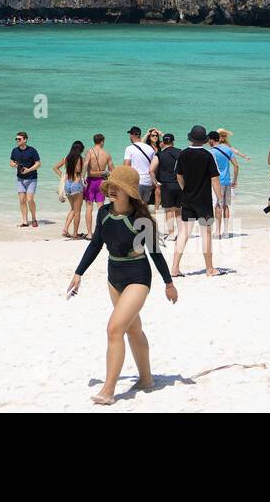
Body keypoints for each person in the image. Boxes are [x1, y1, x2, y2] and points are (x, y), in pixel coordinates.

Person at [67, 165, 177, 406]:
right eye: (112, 186)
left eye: (118, 187)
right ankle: (146, 379)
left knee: (114, 329)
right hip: (113, 276)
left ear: (129, 192)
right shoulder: (104, 213)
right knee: (132, 329)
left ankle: (108, 390)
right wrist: (78, 273)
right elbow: (95, 244)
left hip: (138, 276)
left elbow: (156, 254)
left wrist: (168, 283)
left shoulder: (140, 220)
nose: (113, 190)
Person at [172, 125, 218, 277]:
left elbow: (178, 175)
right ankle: (209, 269)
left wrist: (185, 189)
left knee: (184, 232)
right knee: (206, 234)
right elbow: (215, 179)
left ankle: (175, 268)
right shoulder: (207, 156)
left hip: (187, 199)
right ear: (204, 140)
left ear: (191, 138)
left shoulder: (183, 154)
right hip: (204, 201)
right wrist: (220, 198)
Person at [205, 130, 235, 239]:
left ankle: (217, 232)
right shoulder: (227, 149)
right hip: (227, 181)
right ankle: (226, 231)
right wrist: (235, 180)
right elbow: (236, 166)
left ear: (212, 140)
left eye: (208, 140)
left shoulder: (210, 152)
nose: (208, 142)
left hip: (216, 182)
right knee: (225, 206)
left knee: (217, 205)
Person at [83, 134, 113, 236]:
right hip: (102, 183)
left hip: (90, 182)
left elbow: (85, 164)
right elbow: (112, 170)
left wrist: (82, 177)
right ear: (102, 142)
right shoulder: (106, 154)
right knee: (101, 208)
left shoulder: (89, 152)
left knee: (89, 207)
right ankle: (100, 232)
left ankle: (89, 233)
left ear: (94, 141)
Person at [10, 131, 41, 228]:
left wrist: (28, 170)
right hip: (20, 179)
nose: (17, 141)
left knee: (30, 199)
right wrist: (14, 165)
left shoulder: (32, 150)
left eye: (19, 139)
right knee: (22, 200)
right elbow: (11, 162)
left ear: (25, 140)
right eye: (16, 139)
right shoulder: (14, 150)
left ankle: (34, 218)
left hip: (32, 178)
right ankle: (25, 221)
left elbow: (38, 164)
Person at [56, 140, 86, 239]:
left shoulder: (66, 158)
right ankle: (75, 234)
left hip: (67, 184)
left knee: (73, 209)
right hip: (76, 184)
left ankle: (65, 229)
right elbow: (78, 172)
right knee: (77, 211)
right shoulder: (80, 159)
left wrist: (62, 177)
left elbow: (55, 168)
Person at [154, 133, 182, 240]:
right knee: (178, 209)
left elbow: (151, 170)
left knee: (169, 210)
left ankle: (171, 234)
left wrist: (156, 182)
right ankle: (181, 233)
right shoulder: (180, 152)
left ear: (163, 142)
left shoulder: (160, 154)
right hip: (179, 184)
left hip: (166, 185)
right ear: (173, 142)